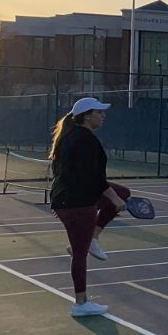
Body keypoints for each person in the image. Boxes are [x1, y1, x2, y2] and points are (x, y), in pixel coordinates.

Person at [48, 97, 132, 317]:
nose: (103, 115)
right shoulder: (84, 140)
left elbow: (85, 177)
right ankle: (81, 303)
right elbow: (94, 178)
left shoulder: (72, 136)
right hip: (76, 202)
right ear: (87, 116)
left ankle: (93, 238)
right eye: (99, 112)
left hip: (69, 199)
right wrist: (115, 201)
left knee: (124, 192)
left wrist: (116, 197)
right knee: (79, 253)